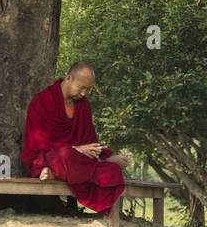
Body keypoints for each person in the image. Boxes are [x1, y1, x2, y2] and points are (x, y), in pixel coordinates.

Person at [21, 62, 129, 213]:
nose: (84, 93)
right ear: (69, 78)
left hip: (76, 162)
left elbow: (89, 139)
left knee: (111, 171)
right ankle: (56, 169)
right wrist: (75, 149)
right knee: (64, 155)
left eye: (87, 89)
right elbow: (38, 144)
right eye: (82, 87)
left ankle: (57, 172)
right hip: (51, 157)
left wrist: (106, 154)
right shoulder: (43, 101)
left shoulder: (83, 105)